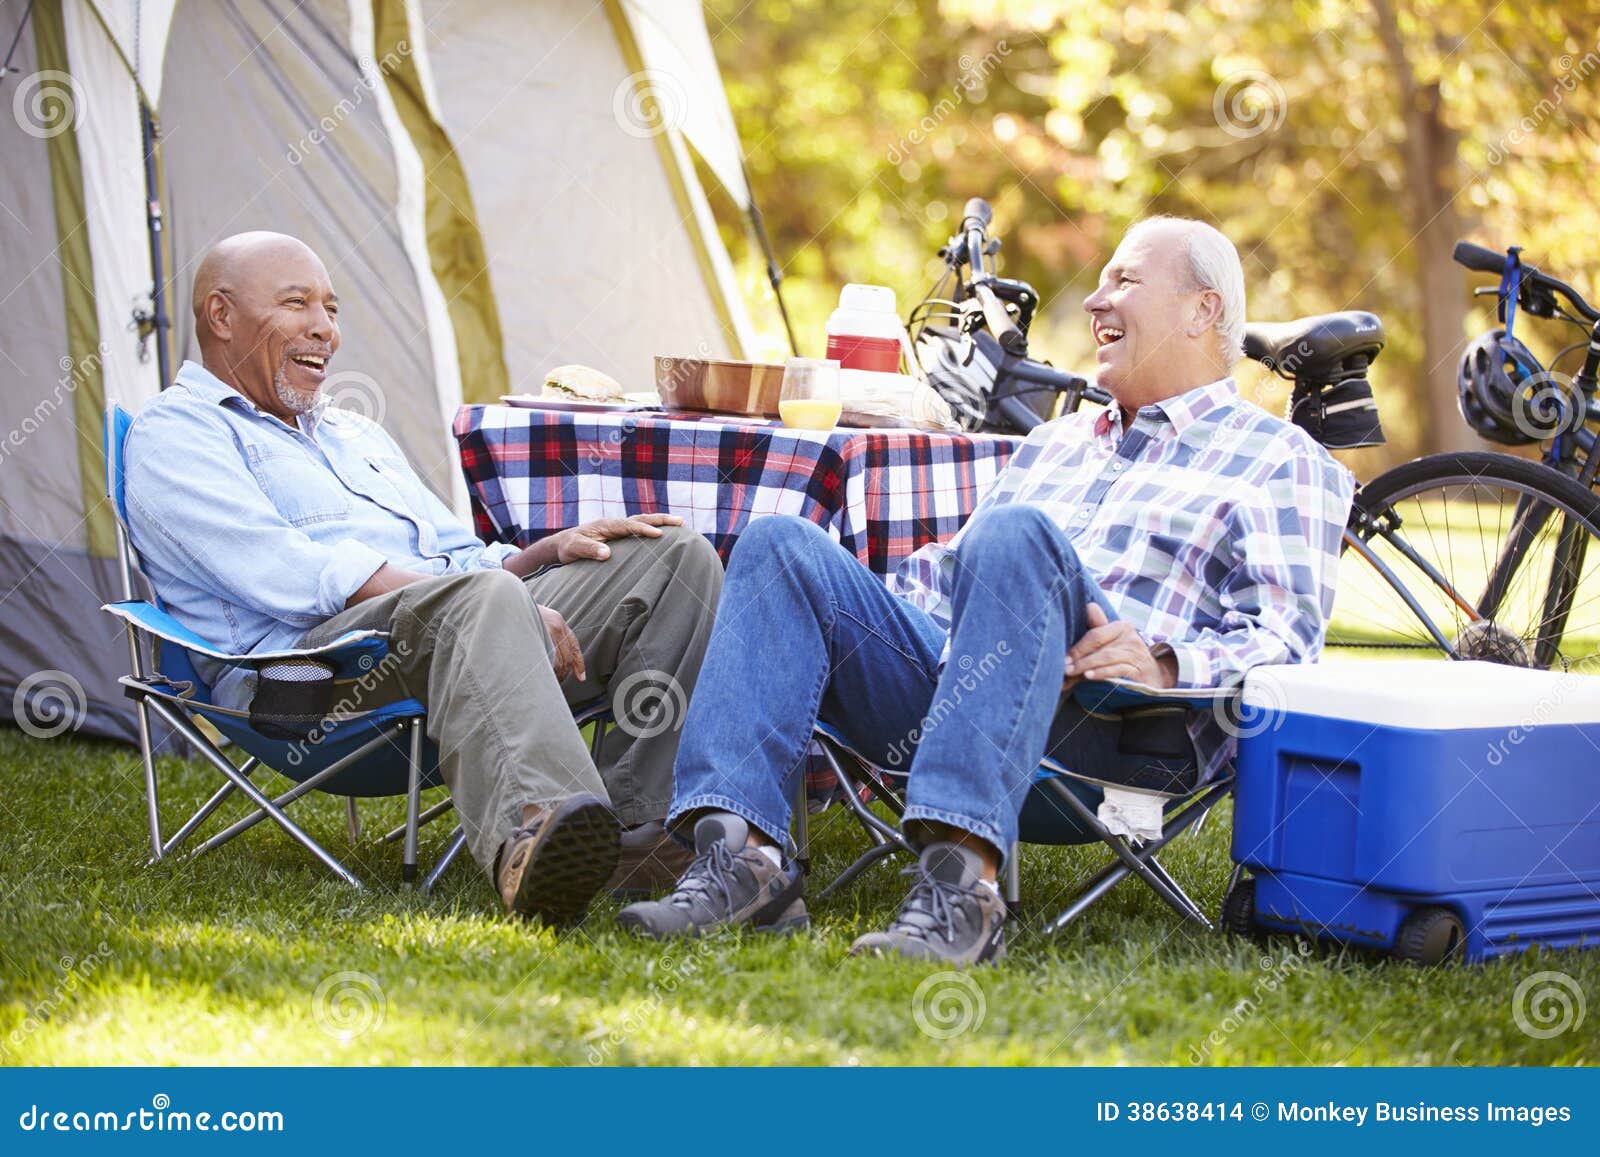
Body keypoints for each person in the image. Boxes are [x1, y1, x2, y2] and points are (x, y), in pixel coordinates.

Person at [619, 217, 1355, 964]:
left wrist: (1167, 664)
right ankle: (739, 860)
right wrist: (849, 612)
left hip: (1112, 729)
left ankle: (959, 889)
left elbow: (1287, 646)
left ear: (1203, 310)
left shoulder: (1279, 459)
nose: (1096, 301)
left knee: (1017, 536)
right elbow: (946, 577)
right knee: (782, 545)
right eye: (1100, 281)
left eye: (1124, 282)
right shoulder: (1056, 441)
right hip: (949, 695)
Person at [124, 232, 722, 925]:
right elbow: (286, 572)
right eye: (298, 304)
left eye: (333, 309)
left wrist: (535, 558)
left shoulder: (353, 435)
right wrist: (495, 599)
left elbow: (453, 552)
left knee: (673, 556)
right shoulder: (176, 435)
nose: (326, 328)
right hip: (314, 677)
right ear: (221, 316)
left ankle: (638, 835)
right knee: (483, 599)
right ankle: (536, 831)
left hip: (456, 629)